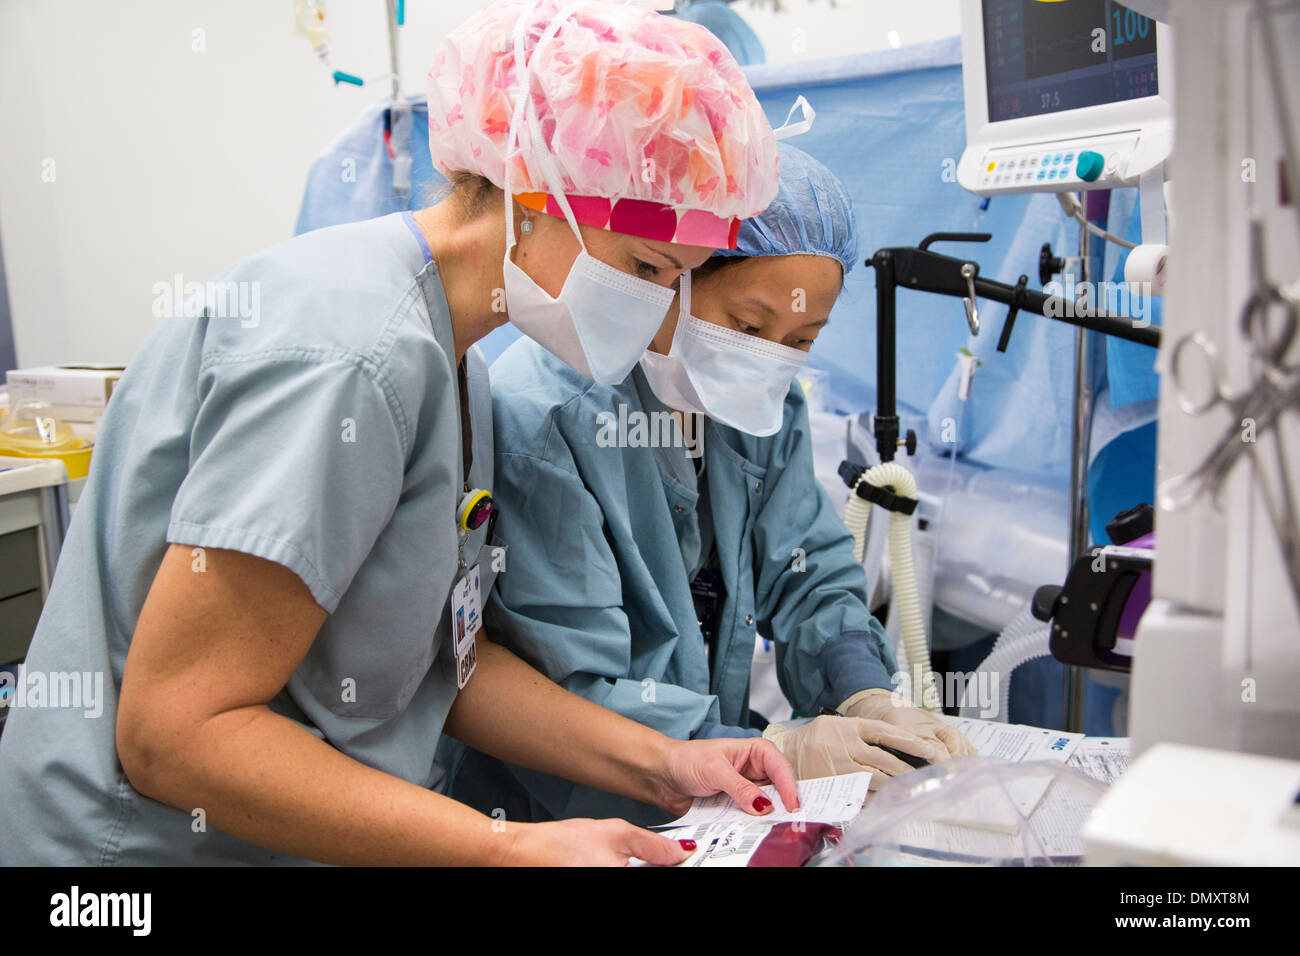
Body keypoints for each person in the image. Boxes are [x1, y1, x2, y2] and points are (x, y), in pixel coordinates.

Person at [0, 0, 797, 866]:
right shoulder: (350, 355)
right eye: (645, 270)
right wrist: (506, 849)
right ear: (535, 189)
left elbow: (440, 668)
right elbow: (177, 734)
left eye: (675, 281)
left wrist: (666, 763)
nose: (655, 315)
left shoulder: (456, 365)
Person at [444, 144, 976, 826]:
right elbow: (568, 686)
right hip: (558, 811)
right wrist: (765, 748)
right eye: (749, 327)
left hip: (708, 791)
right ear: (673, 278)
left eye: (803, 339)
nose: (770, 360)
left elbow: (806, 570)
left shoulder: (761, 408)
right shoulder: (548, 422)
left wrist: (864, 694)